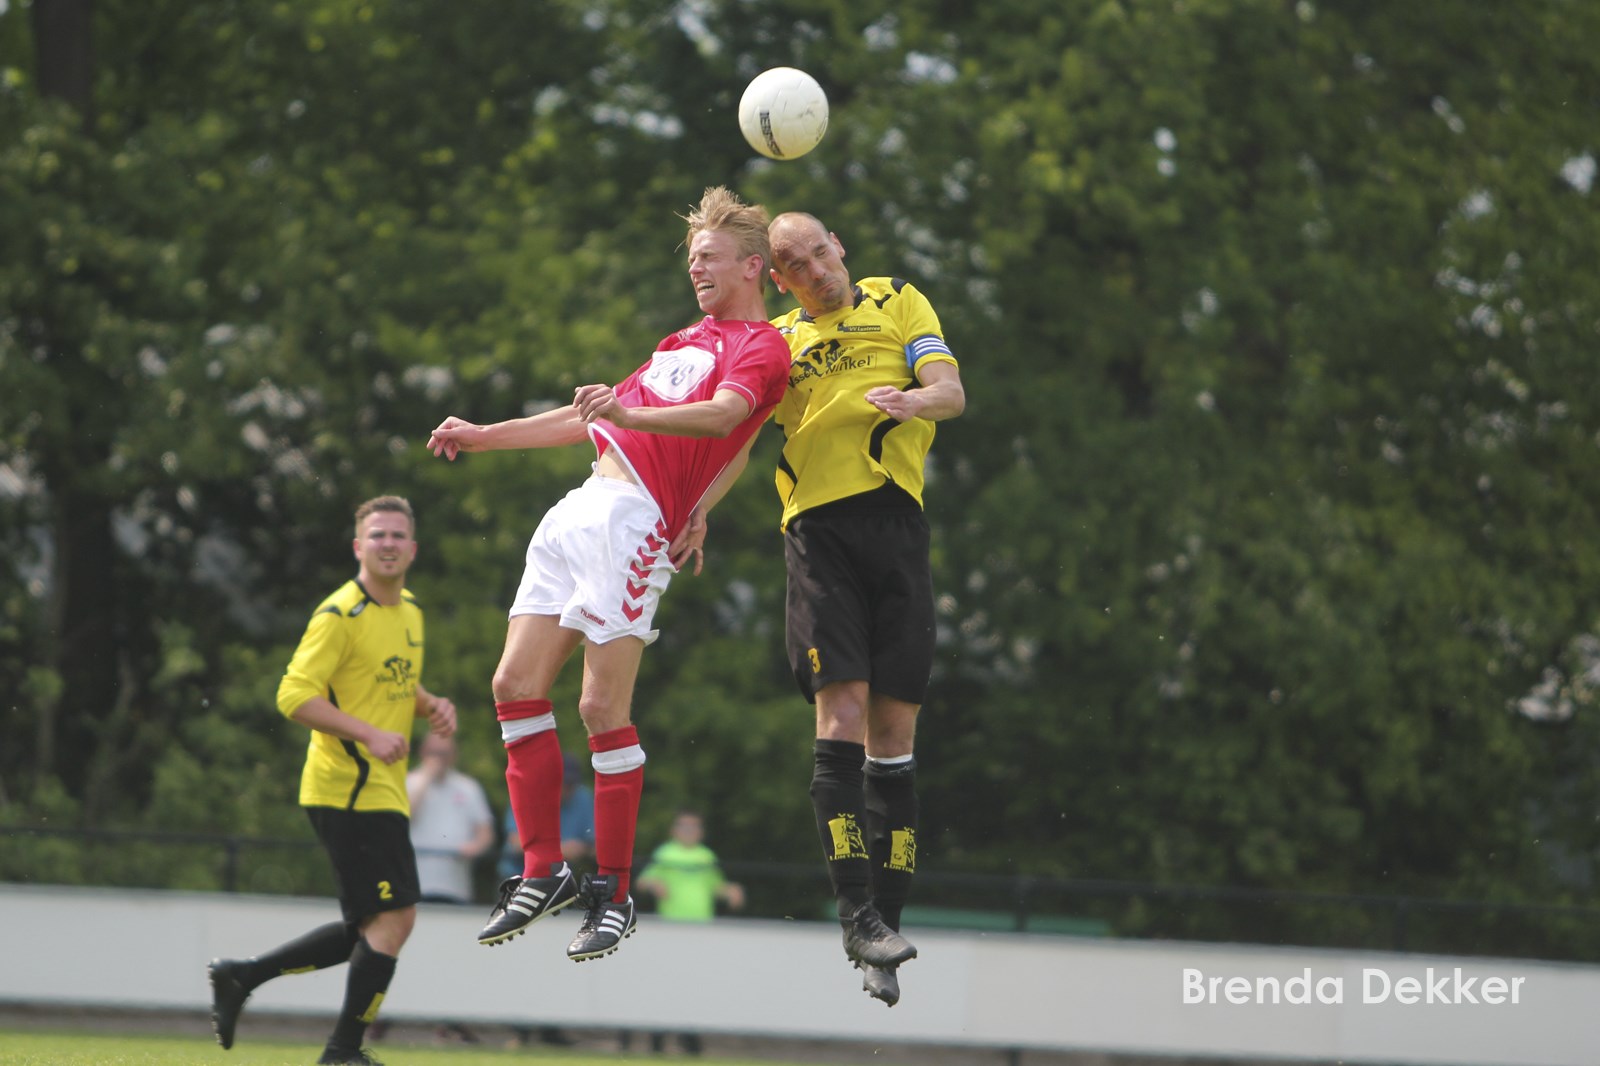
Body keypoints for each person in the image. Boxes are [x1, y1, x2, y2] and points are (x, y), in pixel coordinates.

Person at [427, 186, 790, 963]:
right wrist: (484, 434)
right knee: (512, 686)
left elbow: (729, 420)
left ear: (752, 266)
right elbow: (590, 418)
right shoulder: (676, 340)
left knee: (599, 706)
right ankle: (543, 870)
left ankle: (616, 893)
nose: (696, 266)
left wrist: (646, 438)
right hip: (582, 506)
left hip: (635, 526)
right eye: (691, 256)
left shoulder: (761, 347)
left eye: (711, 256)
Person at [765, 212, 966, 1008]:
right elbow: (734, 432)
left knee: (896, 738)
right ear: (779, 280)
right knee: (840, 715)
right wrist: (696, 509)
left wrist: (918, 402)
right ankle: (855, 916)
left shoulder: (901, 300)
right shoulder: (776, 343)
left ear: (840, 248)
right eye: (794, 264)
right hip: (818, 533)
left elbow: (950, 390)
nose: (814, 269)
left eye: (820, 251)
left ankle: (885, 932)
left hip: (898, 528)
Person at [207, 496, 458, 1065]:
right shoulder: (339, 615)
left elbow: (388, 683)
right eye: (378, 536)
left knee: (372, 925)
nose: (388, 544)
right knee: (393, 918)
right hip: (345, 787)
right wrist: (368, 734)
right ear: (358, 547)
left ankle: (243, 977)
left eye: (398, 536)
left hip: (382, 790)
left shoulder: (410, 612)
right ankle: (341, 1052)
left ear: (412, 549)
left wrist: (429, 705)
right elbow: (293, 696)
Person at [634, 810, 745, 1055]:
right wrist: (654, 884)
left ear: (701, 832)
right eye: (683, 827)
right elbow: (644, 881)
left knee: (693, 984)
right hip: (671, 928)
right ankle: (658, 1039)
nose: (688, 832)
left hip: (701, 930)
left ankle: (690, 1038)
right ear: (674, 830)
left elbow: (715, 886)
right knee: (667, 983)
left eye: (693, 827)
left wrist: (730, 891)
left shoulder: (706, 857)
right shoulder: (665, 854)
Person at [408, 734, 495, 904]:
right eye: (434, 753)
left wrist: (474, 847)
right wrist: (426, 779)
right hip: (415, 884)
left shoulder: (469, 787)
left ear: (454, 755)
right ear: (423, 752)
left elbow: (485, 831)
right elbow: (405, 817)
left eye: (444, 753)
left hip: (456, 886)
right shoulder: (409, 782)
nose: (439, 759)